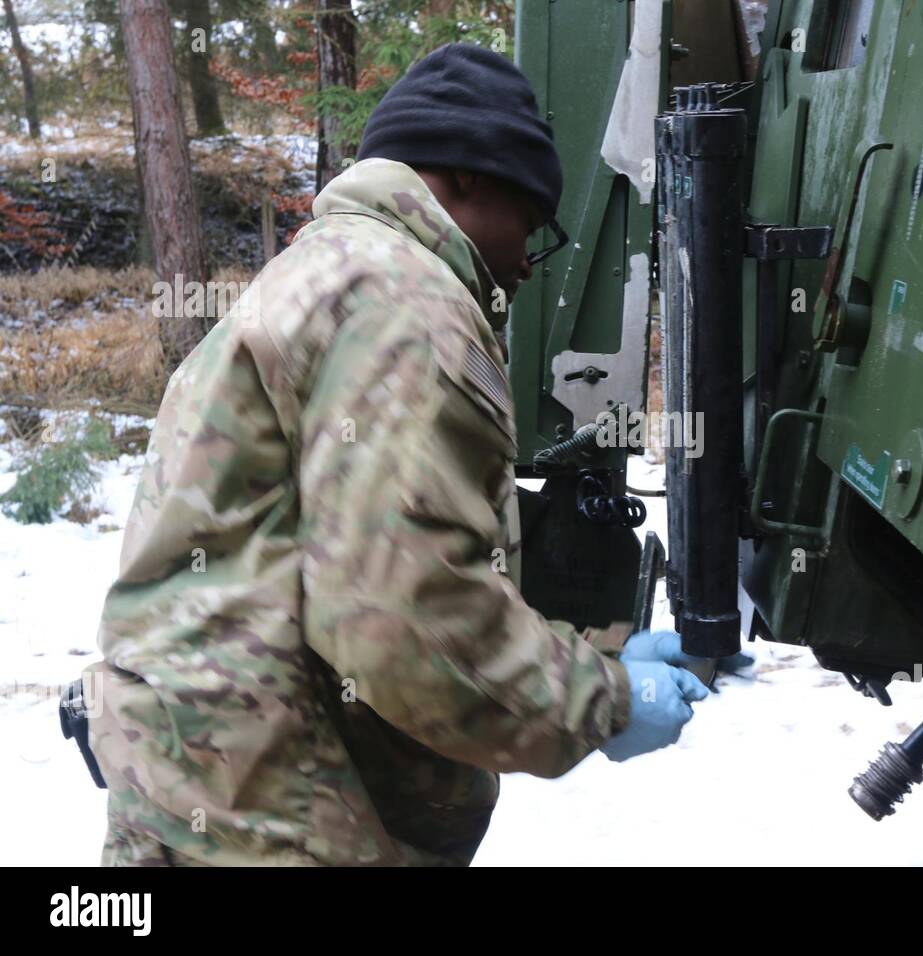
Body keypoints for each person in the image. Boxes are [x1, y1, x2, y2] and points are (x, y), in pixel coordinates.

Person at [87, 43, 717, 867]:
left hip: (212, 791)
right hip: (274, 820)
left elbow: (342, 569)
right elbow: (404, 629)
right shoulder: (409, 308)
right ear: (465, 178)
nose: (529, 261)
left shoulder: (325, 273)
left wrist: (595, 654)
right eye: (531, 224)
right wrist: (605, 700)